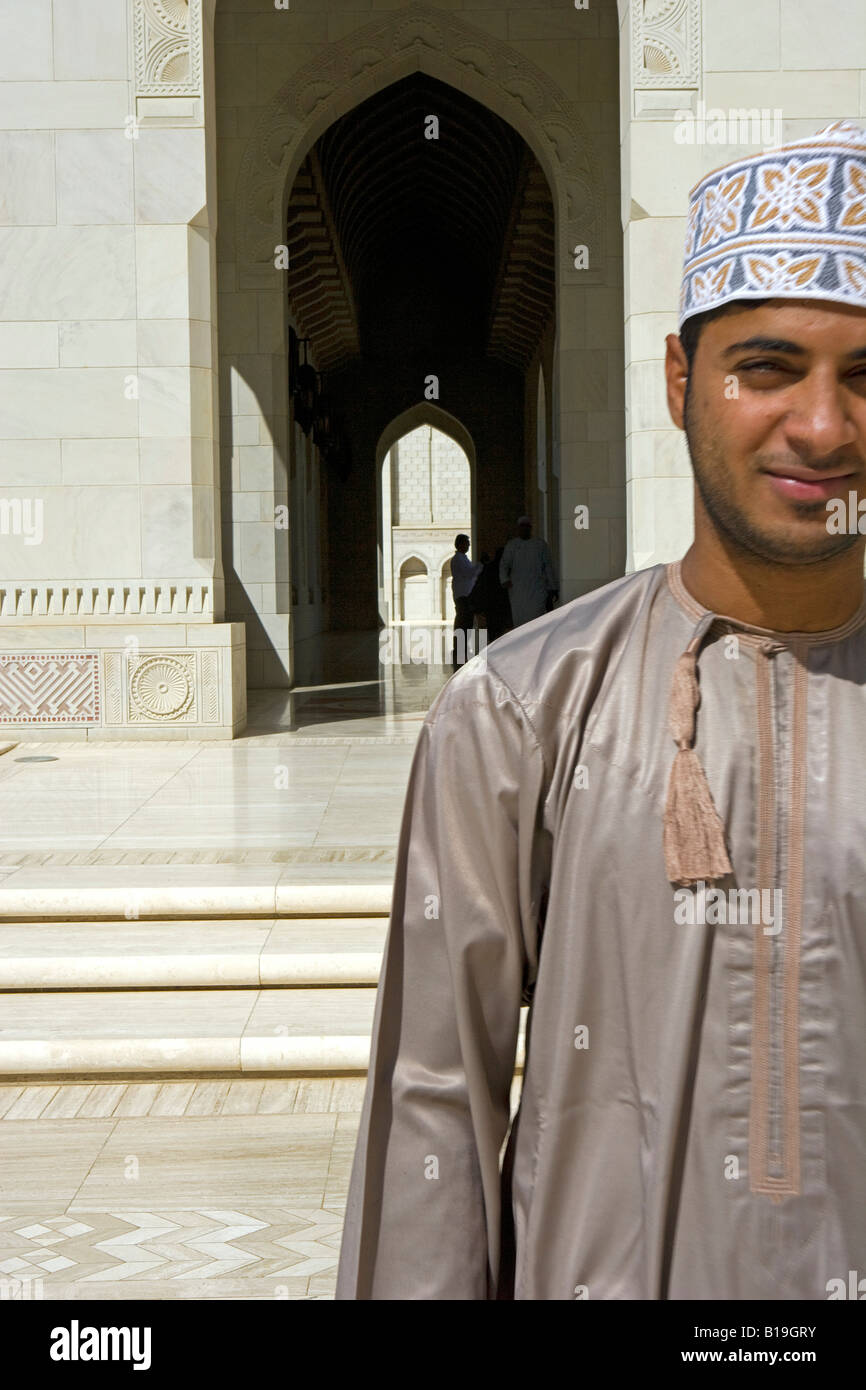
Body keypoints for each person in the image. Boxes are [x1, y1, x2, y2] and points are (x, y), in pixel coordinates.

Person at [336, 120, 866, 1300]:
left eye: (864, 378)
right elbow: (432, 1108)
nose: (822, 427)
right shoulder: (521, 712)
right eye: (767, 367)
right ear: (680, 382)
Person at [499, 515, 558, 626]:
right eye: (522, 527)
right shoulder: (512, 545)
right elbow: (504, 564)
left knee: (536, 620)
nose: (524, 529)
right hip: (518, 589)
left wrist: (552, 587)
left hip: (537, 588)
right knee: (519, 619)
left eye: (527, 527)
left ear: (530, 528)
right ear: (518, 529)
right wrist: (505, 579)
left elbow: (548, 567)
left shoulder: (540, 545)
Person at [449, 533, 481, 670]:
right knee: (463, 622)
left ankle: (461, 649)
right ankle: (459, 650)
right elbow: (469, 573)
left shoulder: (462, 559)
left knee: (466, 623)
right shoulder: (458, 559)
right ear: (460, 544)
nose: (468, 545)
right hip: (463, 596)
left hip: (465, 596)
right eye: (466, 543)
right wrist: (481, 565)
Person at [468, 544, 512, 644]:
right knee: (503, 634)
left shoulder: (489, 568)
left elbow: (480, 587)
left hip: (491, 607)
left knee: (493, 634)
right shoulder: (507, 570)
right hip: (503, 606)